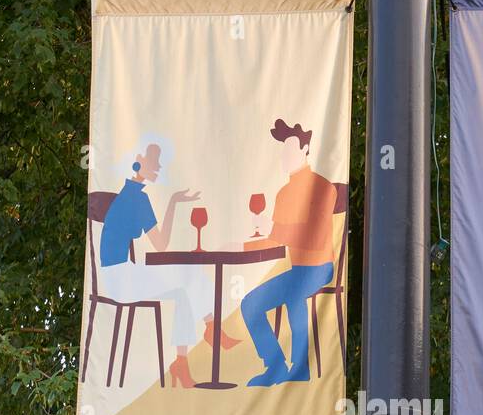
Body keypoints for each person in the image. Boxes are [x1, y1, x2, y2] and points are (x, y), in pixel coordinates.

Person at [99, 143, 237, 388]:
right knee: (190, 273)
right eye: (155, 161)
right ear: (140, 161)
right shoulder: (137, 199)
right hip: (122, 278)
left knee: (185, 288)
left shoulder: (127, 195)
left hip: (119, 275)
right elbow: (161, 244)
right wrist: (173, 202)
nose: (158, 167)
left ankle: (181, 362)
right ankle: (212, 327)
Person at [240, 119, 336, 386]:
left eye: (291, 151)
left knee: (295, 293)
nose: (285, 157)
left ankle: (299, 368)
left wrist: (273, 228)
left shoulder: (322, 187)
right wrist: (240, 247)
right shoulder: (283, 193)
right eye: (283, 152)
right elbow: (276, 239)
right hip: (297, 271)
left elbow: (313, 237)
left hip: (320, 267)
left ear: (306, 149)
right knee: (250, 304)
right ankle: (276, 365)